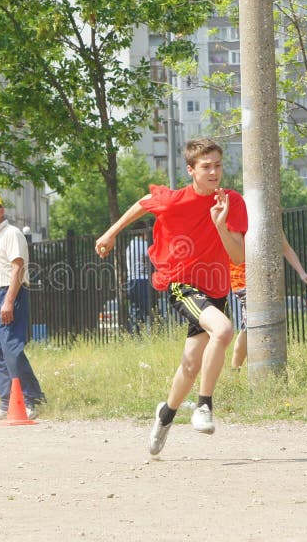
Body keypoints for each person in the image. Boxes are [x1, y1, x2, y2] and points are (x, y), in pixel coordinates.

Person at [95, 138, 247, 456]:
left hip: (216, 288)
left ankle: (165, 416)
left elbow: (237, 255)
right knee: (223, 330)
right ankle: (204, 406)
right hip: (182, 284)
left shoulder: (232, 201)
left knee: (190, 365)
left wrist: (219, 225)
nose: (214, 171)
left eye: (218, 165)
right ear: (191, 170)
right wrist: (111, 232)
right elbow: (143, 203)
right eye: (206, 166)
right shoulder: (176, 199)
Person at [0, 192, 45, 420]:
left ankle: (31, 398)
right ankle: (7, 402)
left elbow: (18, 269)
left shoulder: (11, 234)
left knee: (12, 349)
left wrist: (9, 301)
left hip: (10, 293)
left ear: (0, 211)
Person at [229, 235, 307, 371]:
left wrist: (302, 273)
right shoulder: (235, 218)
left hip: (264, 281)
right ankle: (238, 369)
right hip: (242, 282)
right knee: (250, 325)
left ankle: (245, 368)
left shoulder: (269, 217)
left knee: (249, 326)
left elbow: (285, 248)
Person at [125, 219, 151, 333]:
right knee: (147, 309)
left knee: (135, 310)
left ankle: (134, 334)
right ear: (143, 232)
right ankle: (149, 333)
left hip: (131, 281)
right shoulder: (144, 245)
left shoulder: (129, 246)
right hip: (143, 280)